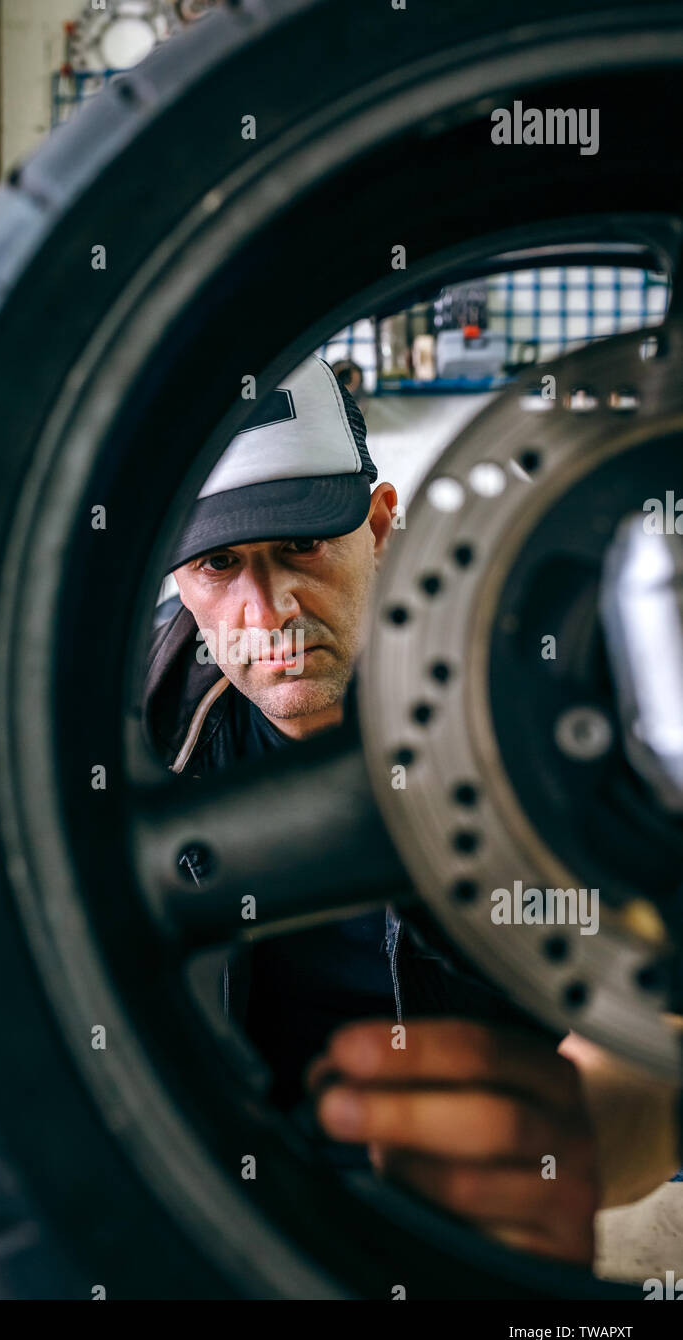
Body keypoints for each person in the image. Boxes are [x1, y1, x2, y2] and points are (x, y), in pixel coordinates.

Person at [143, 354, 681, 1267]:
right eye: (219, 564)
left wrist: (579, 1138)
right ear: (177, 582)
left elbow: (660, 1014)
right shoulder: (127, 738)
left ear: (381, 526)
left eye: (302, 548)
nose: (267, 611)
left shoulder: (539, 700)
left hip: (505, 1203)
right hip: (244, 1198)